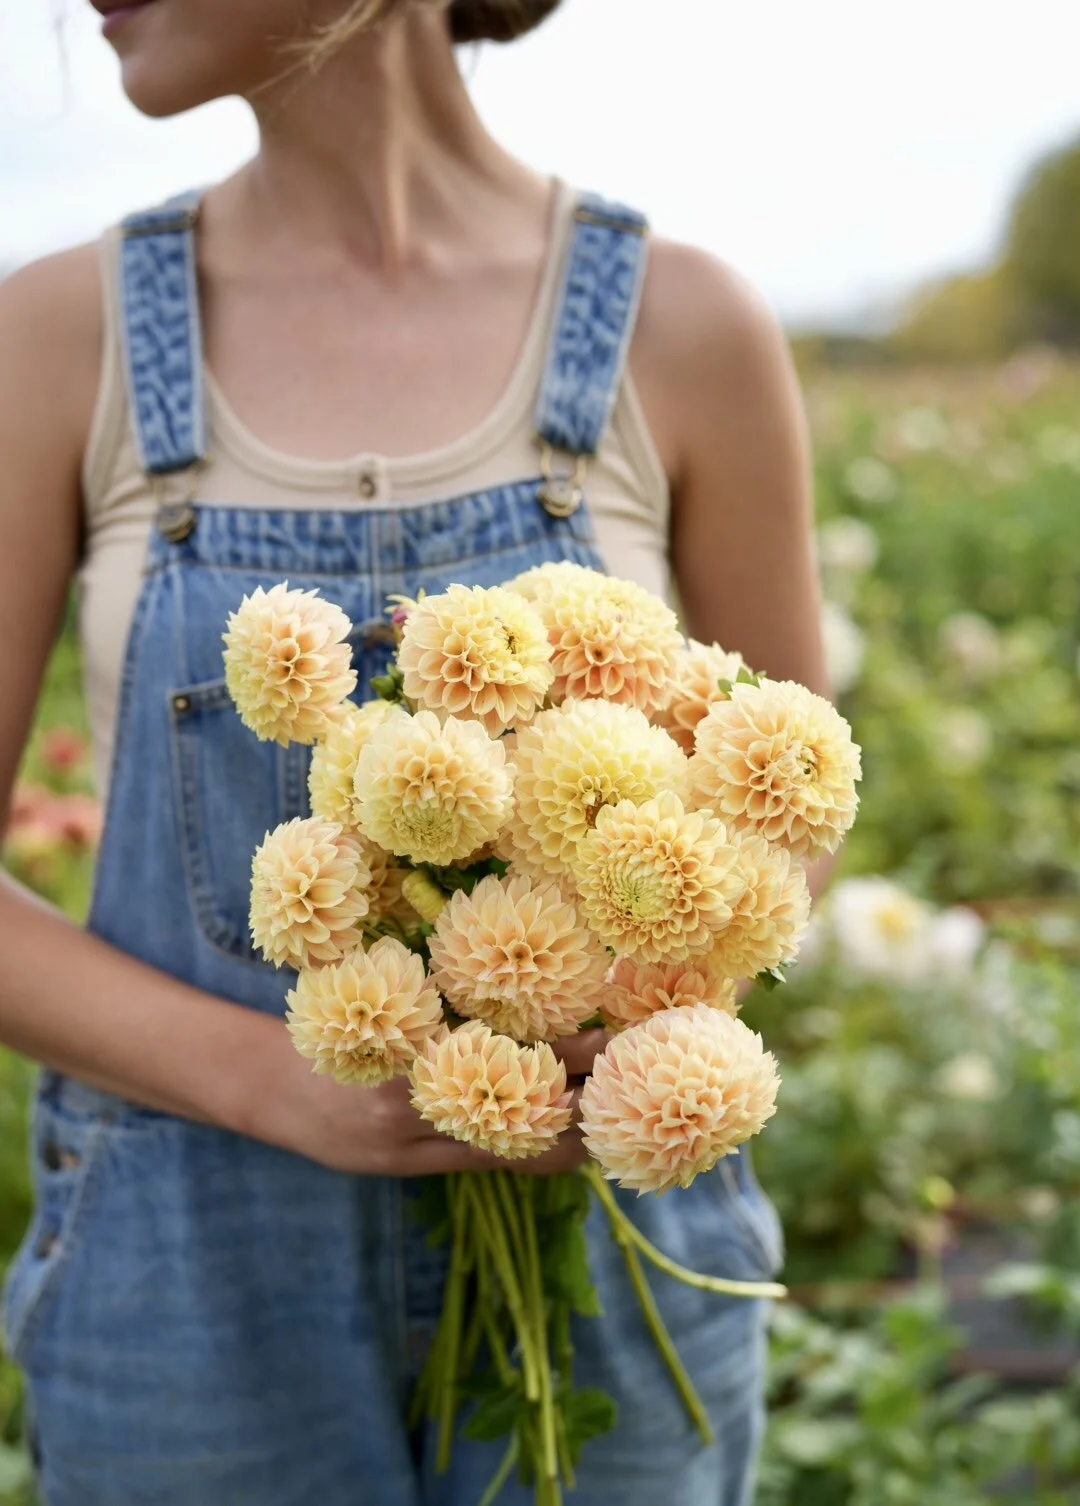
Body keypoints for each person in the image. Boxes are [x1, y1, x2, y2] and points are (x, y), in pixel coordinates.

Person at [0, 2, 827, 1502]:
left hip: (611, 1237)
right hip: (187, 1279)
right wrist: (286, 1082)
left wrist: (625, 1011)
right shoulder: (56, 337)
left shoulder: (686, 327)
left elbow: (790, 811)